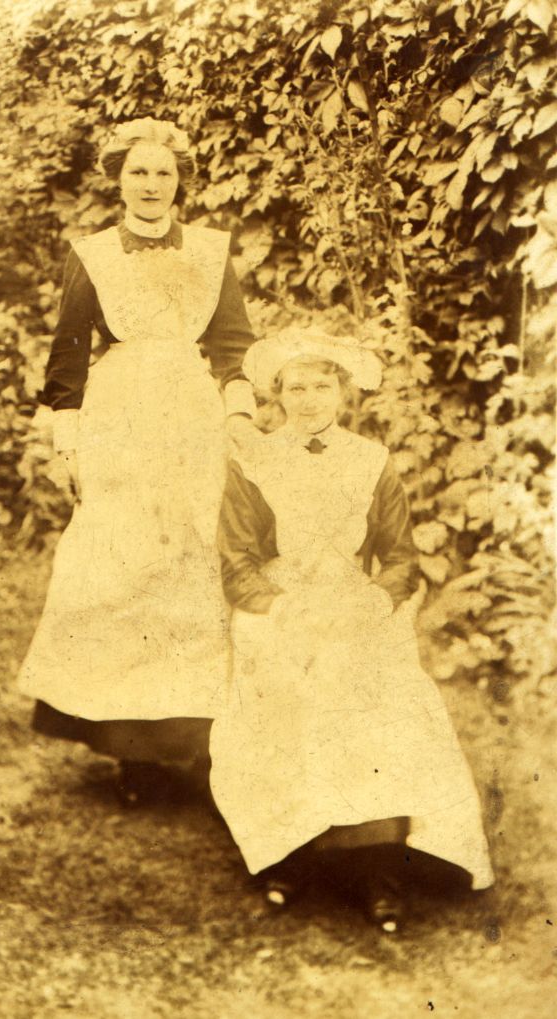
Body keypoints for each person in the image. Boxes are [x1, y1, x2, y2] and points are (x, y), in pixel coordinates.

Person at [209, 327, 494, 931]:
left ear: (343, 393)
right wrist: (286, 608)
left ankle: (378, 872)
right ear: (277, 396)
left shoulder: (370, 460)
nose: (310, 399)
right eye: (296, 388)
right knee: (291, 692)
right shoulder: (253, 461)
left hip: (355, 602)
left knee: (378, 694)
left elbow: (399, 556)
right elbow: (237, 564)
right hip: (278, 606)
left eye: (322, 385)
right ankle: (290, 856)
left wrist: (373, 601)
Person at [19, 118, 258, 802]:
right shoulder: (92, 254)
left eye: (163, 173)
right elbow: (67, 356)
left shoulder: (211, 252)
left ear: (180, 181)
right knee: (123, 569)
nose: (151, 186)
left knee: (196, 565)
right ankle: (134, 754)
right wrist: (68, 443)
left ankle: (202, 737)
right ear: (118, 180)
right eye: (137, 173)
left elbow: (235, 344)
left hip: (192, 419)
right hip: (120, 420)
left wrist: (238, 413)